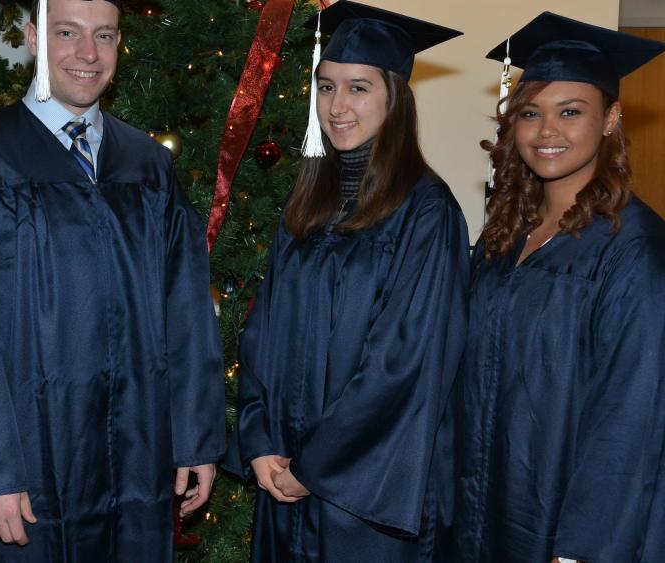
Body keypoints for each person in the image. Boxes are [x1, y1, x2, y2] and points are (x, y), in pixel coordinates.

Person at [0, 0, 225, 561]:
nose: (88, 54)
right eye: (68, 33)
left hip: (137, 455)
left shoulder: (147, 166)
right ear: (35, 39)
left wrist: (196, 438)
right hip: (22, 471)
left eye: (103, 36)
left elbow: (183, 307)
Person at [225, 2, 469, 561]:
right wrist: (260, 440)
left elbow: (405, 363)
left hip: (364, 497)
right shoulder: (308, 202)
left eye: (358, 88)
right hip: (283, 475)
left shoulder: (427, 214)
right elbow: (264, 331)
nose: (337, 106)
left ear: (394, 99)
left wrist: (319, 466)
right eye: (326, 86)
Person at [451, 12, 665, 563]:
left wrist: (581, 550)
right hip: (481, 508)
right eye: (530, 113)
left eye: (571, 112)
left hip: (562, 528)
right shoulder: (502, 238)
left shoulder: (632, 249)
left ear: (611, 117)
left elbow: (631, 419)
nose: (547, 132)